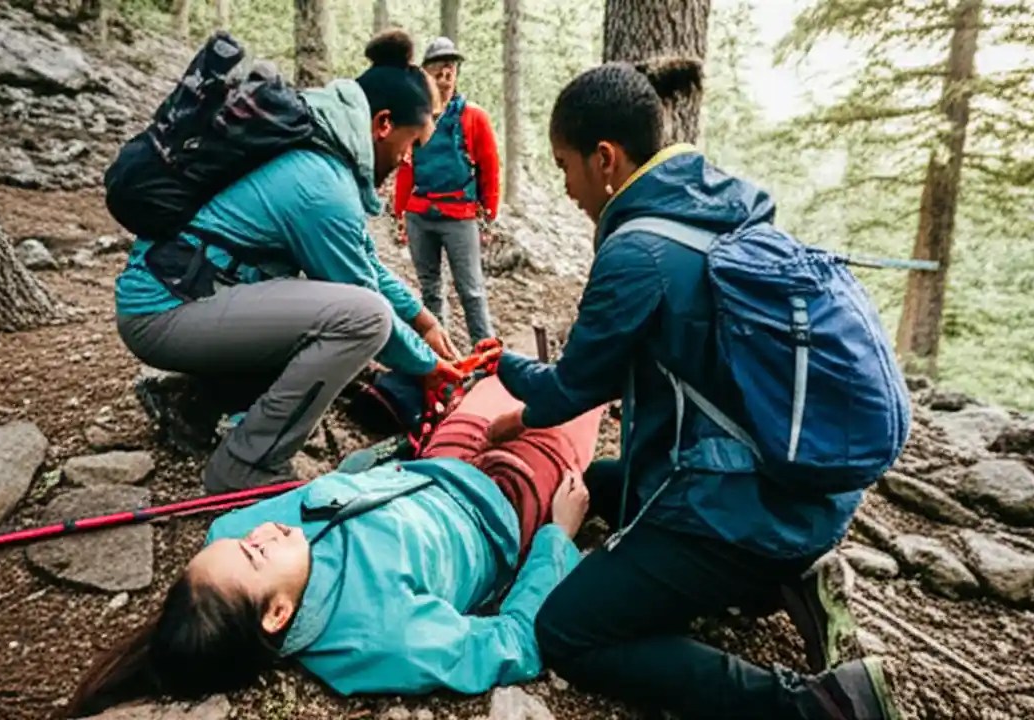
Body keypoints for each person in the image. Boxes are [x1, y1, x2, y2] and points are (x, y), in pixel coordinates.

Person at [487, 60, 901, 719]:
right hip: (798, 491)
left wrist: (501, 370)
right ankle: (785, 577)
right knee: (600, 481)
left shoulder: (636, 253)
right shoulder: (718, 209)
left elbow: (572, 388)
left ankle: (819, 705)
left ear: (605, 158)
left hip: (737, 510)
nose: (565, 187)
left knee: (567, 630)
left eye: (563, 165)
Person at [64, 376, 604, 717]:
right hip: (506, 508)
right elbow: (513, 642)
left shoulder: (232, 541)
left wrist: (373, 464)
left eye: (236, 541)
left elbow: (291, 510)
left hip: (439, 461)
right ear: (277, 614)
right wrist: (557, 535)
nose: (256, 532)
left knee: (507, 375)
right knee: (582, 386)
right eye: (255, 553)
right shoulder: (381, 637)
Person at [113, 31, 463, 494]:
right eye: (410, 143)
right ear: (382, 123)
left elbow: (365, 262)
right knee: (362, 320)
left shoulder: (321, 157)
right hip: (164, 311)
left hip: (188, 294)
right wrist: (426, 366)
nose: (407, 159)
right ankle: (246, 463)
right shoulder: (322, 185)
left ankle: (207, 407)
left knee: (347, 312)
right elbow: (361, 290)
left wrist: (423, 320)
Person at [393, 36, 500, 344]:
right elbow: (406, 167)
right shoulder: (416, 116)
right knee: (429, 288)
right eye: (437, 69)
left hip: (460, 214)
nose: (444, 76)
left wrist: (488, 215)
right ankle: (441, 355)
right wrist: (400, 212)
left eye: (449, 69)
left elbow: (489, 167)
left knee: (471, 290)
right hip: (419, 214)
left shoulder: (472, 116)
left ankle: (485, 356)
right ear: (425, 73)